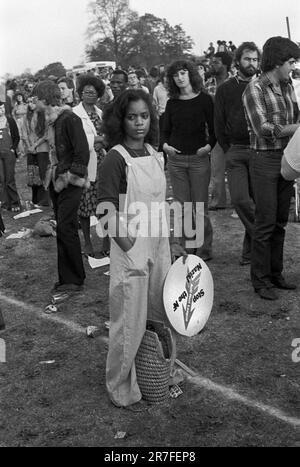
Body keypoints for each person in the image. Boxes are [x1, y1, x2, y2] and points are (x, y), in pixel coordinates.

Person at [97, 89, 186, 408]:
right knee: (129, 320)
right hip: (131, 251)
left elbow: (162, 203)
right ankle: (121, 383)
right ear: (120, 120)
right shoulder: (114, 158)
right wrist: (129, 246)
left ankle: (155, 370)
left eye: (144, 116)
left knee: (159, 314)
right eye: (132, 117)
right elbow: (104, 209)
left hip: (159, 247)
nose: (139, 123)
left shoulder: (154, 151)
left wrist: (173, 241)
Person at [242, 36, 300, 300]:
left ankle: (276, 274)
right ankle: (260, 280)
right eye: (290, 62)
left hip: (287, 158)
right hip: (264, 160)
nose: (293, 67)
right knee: (265, 222)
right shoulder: (254, 89)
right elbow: (263, 129)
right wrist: (297, 129)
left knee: (280, 221)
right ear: (277, 62)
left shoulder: (288, 87)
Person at [32, 80, 90, 295]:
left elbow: (82, 152)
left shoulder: (69, 119)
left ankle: (75, 279)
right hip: (58, 180)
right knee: (63, 229)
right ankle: (67, 277)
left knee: (66, 227)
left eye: (35, 97)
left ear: (45, 98)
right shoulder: (53, 120)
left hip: (69, 181)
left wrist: (70, 178)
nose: (32, 101)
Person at [162, 60, 216, 261]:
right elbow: (164, 131)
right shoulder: (171, 103)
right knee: (183, 207)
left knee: (200, 207)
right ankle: (187, 247)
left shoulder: (205, 100)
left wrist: (208, 147)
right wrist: (166, 147)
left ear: (190, 74)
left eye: (183, 73)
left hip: (198, 159)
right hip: (176, 160)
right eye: (176, 75)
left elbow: (214, 129)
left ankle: (204, 249)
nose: (180, 77)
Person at [214, 42, 261, 266]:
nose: (251, 64)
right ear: (237, 62)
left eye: (254, 60)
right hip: (236, 150)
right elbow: (218, 123)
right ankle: (264, 242)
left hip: (261, 150)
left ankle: (250, 253)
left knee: (258, 202)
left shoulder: (263, 86)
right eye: (247, 59)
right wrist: (228, 148)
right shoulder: (225, 89)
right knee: (241, 200)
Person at [73, 74, 106, 257]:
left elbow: (108, 135)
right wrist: (97, 139)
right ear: (80, 93)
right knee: (85, 204)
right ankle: (87, 242)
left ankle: (107, 240)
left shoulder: (101, 113)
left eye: (94, 93)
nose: (90, 95)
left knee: (104, 202)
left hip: (102, 164)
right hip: (85, 165)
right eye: (86, 92)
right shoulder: (74, 113)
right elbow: (76, 139)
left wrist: (101, 141)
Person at [206, 52, 233, 211]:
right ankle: (218, 201)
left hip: (235, 132)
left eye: (216, 62)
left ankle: (240, 200)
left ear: (225, 64)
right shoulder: (208, 83)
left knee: (237, 169)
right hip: (216, 131)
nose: (212, 65)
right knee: (217, 169)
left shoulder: (236, 81)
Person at [20, 97, 51, 206]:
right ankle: (35, 200)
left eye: (32, 102)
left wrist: (35, 145)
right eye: (28, 102)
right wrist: (29, 146)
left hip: (42, 148)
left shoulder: (45, 116)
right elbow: (24, 134)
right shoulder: (26, 117)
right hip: (30, 150)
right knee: (32, 174)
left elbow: (46, 135)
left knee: (43, 173)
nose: (30, 104)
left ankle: (44, 200)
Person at [0, 102, 21, 212]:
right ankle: (4, 204)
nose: (1, 111)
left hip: (9, 153)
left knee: (9, 179)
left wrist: (13, 148)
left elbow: (17, 136)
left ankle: (14, 203)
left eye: (2, 108)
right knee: (1, 180)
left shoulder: (10, 121)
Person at [12, 92, 27, 158]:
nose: (19, 98)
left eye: (20, 96)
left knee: (26, 136)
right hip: (18, 121)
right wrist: (15, 120)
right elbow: (13, 114)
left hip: (25, 121)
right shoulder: (16, 106)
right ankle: (21, 152)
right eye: (18, 97)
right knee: (19, 136)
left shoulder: (26, 105)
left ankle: (28, 150)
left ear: (22, 97)